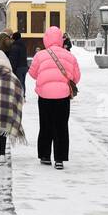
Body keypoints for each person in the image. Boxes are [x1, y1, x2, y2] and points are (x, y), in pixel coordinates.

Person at [28, 25, 81, 170]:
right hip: (63, 96)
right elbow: (76, 77)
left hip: (44, 96)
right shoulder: (69, 55)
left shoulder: (40, 55)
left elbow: (32, 74)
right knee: (61, 127)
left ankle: (45, 156)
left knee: (45, 125)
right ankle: (59, 159)